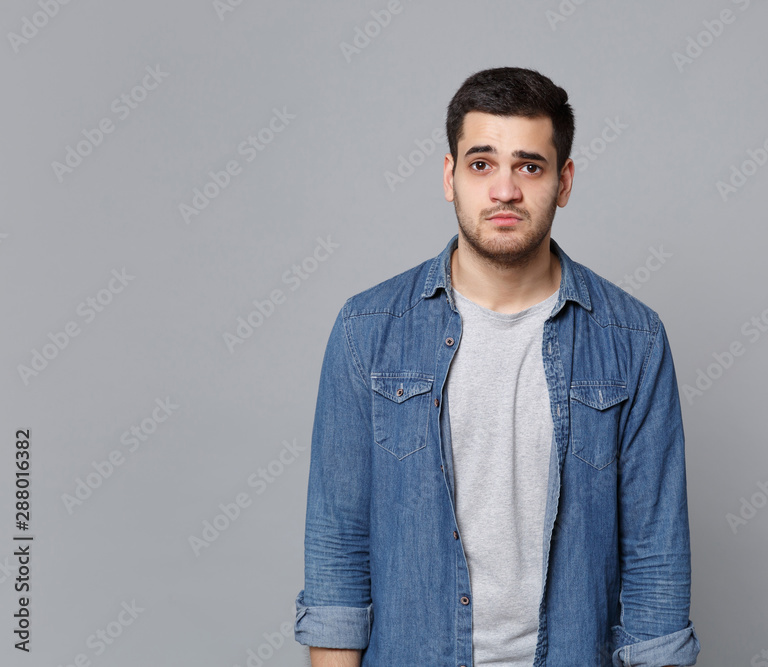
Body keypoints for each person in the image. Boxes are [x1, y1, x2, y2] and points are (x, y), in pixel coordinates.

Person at [294, 66, 700, 667]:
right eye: (481, 164)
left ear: (563, 182)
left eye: (528, 166)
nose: (505, 190)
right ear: (449, 177)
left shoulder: (633, 339)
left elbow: (655, 562)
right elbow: (337, 551)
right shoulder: (368, 330)